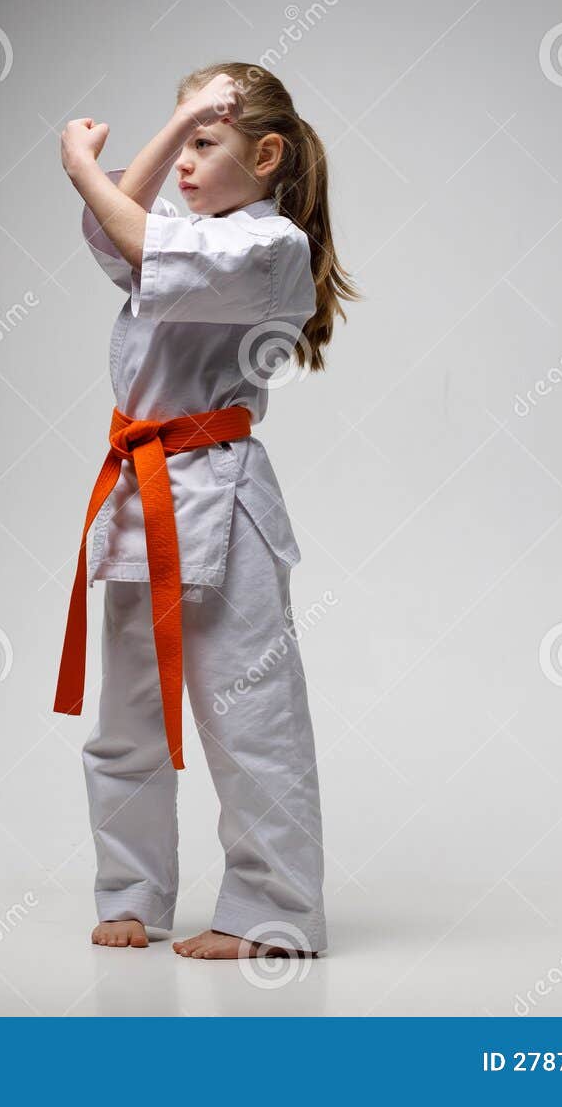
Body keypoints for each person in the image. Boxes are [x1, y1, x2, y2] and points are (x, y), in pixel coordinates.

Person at [55, 61, 358, 960]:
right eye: (182, 141)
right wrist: (164, 127)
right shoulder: (186, 230)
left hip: (222, 501)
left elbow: (136, 239)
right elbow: (113, 235)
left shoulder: (270, 250)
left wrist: (84, 165)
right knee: (127, 721)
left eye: (204, 142)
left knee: (249, 714)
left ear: (266, 157)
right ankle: (133, 892)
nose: (184, 160)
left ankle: (274, 914)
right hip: (141, 498)